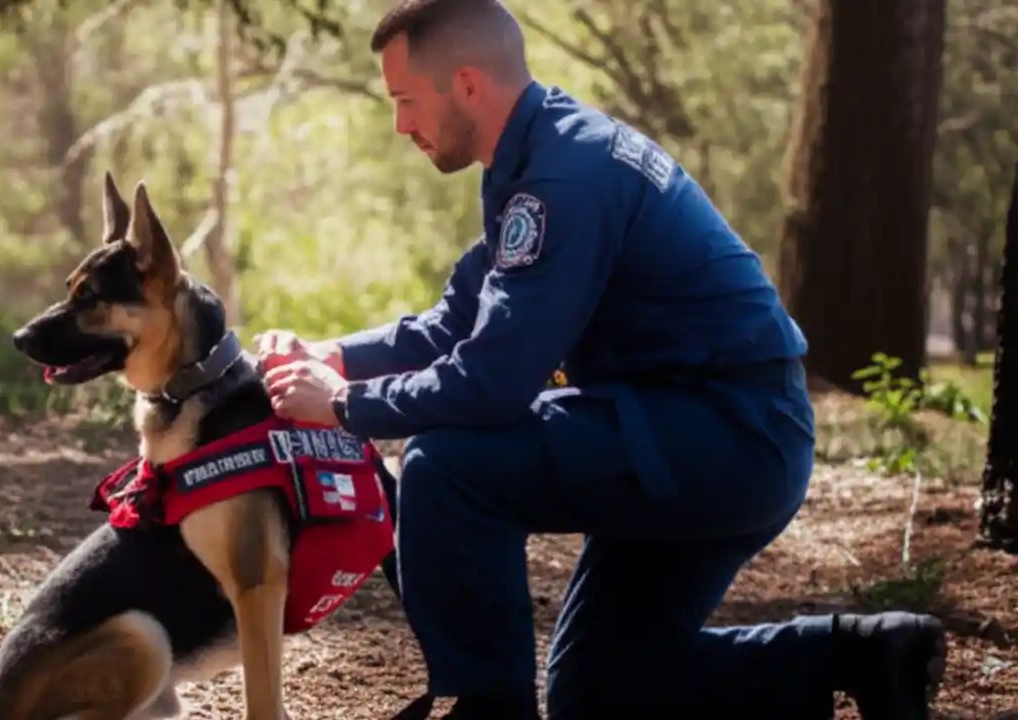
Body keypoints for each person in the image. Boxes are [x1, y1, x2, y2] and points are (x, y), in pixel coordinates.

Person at [256, 0, 948, 718]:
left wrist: (343, 405)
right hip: (700, 430)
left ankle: (487, 707)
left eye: (405, 100)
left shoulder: (563, 180)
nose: (401, 124)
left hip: (725, 438)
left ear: (466, 83)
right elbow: (456, 322)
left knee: (445, 467)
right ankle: (861, 652)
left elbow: (492, 383)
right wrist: (327, 355)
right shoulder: (542, 153)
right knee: (602, 691)